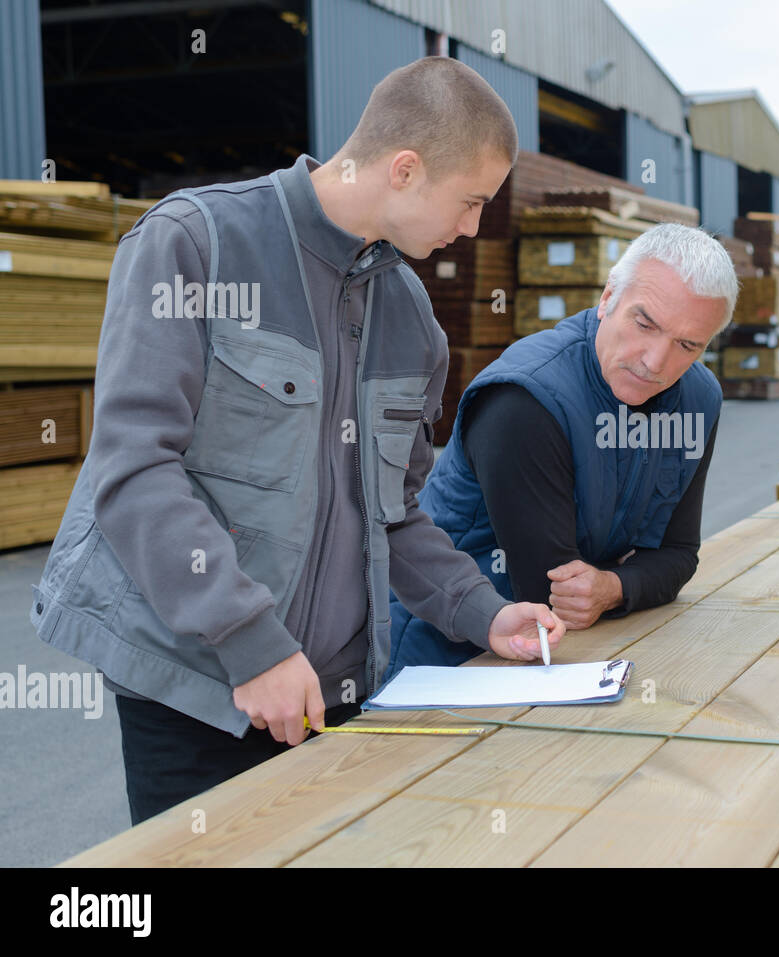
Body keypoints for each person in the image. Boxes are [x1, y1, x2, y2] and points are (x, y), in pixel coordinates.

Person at [28, 57, 564, 827]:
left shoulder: (414, 322)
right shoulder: (196, 244)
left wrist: (484, 610)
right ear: (406, 169)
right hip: (197, 688)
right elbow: (133, 468)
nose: (474, 227)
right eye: (472, 201)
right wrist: (251, 642)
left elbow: (395, 514)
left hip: (333, 693)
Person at [386, 223, 736, 674]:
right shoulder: (525, 400)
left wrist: (612, 585)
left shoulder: (698, 398)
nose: (655, 362)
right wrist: (632, 579)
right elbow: (552, 591)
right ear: (608, 298)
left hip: (570, 655)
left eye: (688, 345)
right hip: (447, 658)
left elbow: (679, 556)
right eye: (644, 323)